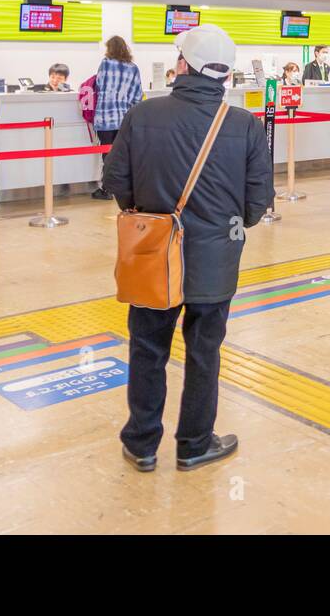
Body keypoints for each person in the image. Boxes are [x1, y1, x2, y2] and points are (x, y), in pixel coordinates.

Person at [104, 24, 274, 472]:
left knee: (147, 347)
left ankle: (141, 443)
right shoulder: (245, 124)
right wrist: (226, 224)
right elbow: (258, 204)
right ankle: (195, 444)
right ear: (224, 74)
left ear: (184, 65)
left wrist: (150, 217)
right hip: (215, 260)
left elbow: (114, 182)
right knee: (204, 351)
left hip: (153, 257)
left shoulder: (143, 115)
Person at [91, 36, 142, 201]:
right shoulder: (133, 68)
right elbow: (137, 96)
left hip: (105, 118)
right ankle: (122, 188)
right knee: (121, 155)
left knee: (107, 155)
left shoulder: (106, 63)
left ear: (109, 48)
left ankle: (106, 189)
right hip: (123, 119)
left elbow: (98, 84)